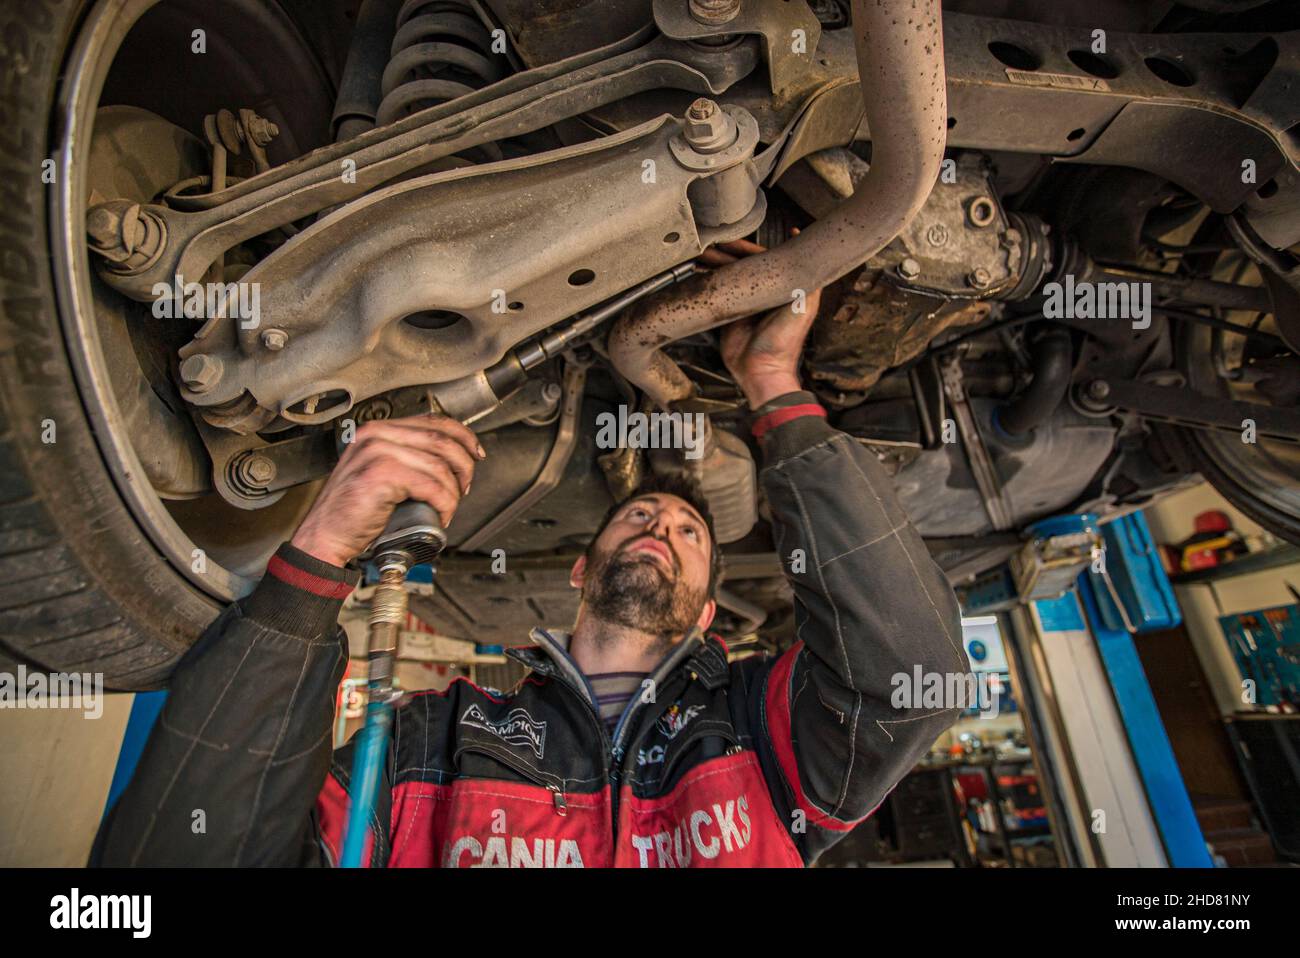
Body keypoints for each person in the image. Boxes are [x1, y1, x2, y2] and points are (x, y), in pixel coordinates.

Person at [93, 275, 969, 868]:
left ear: (709, 617)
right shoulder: (427, 744)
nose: (664, 518)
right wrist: (318, 548)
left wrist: (776, 381)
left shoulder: (761, 736)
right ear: (583, 573)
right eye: (643, 515)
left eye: (690, 533)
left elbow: (909, 679)